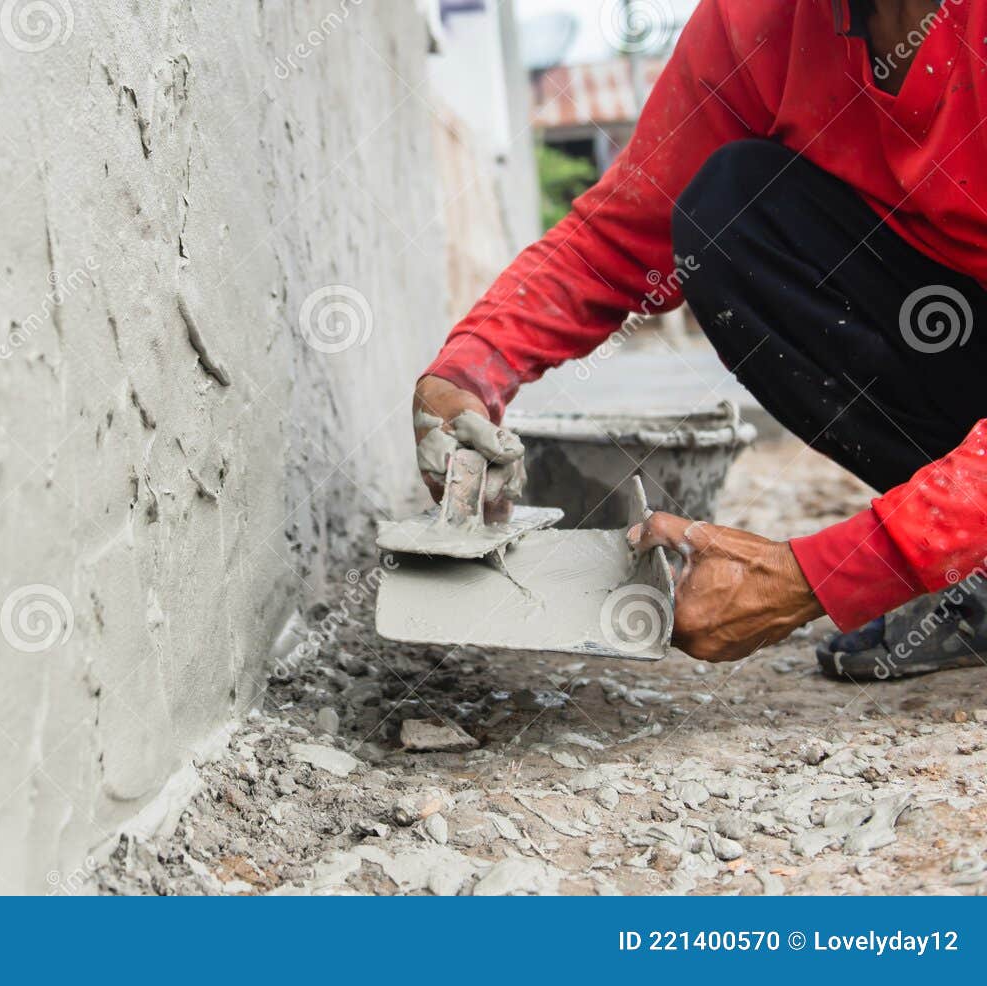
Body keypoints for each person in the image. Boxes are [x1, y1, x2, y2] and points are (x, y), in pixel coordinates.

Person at [415, 0, 987, 680]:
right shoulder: (761, 21)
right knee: (731, 210)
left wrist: (821, 573)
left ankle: (958, 542)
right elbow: (622, 232)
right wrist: (467, 373)